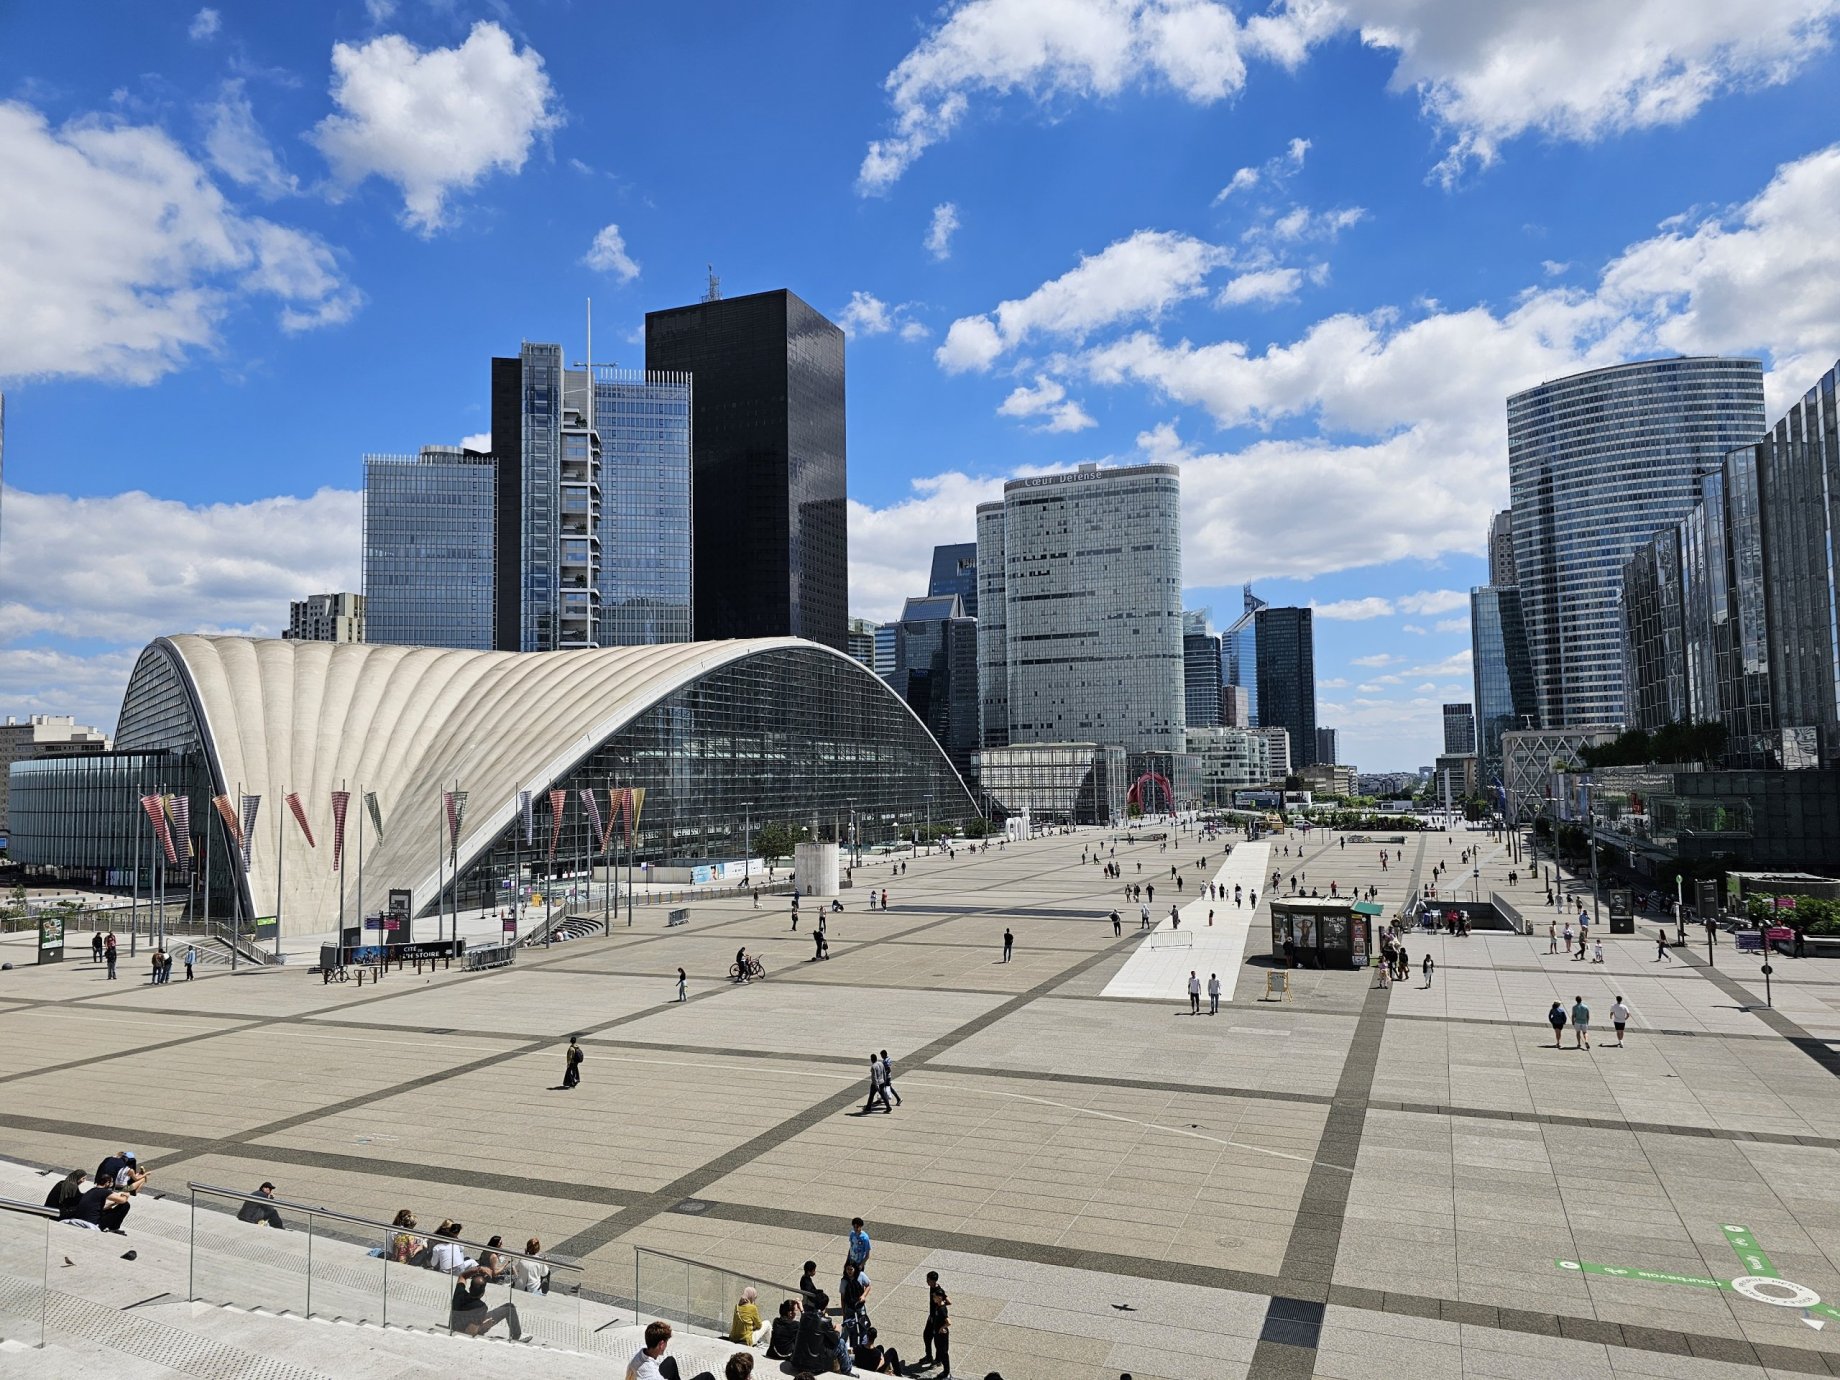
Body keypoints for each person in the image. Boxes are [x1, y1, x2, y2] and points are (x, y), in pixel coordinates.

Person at [926, 1277, 951, 1378]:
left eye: (935, 1297)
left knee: (943, 1353)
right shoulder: (938, 1306)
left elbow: (949, 1322)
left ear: (939, 1298)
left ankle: (946, 1372)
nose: (933, 1298)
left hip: (942, 1335)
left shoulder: (942, 1309)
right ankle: (944, 1370)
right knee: (940, 1351)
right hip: (937, 1333)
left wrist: (942, 1328)